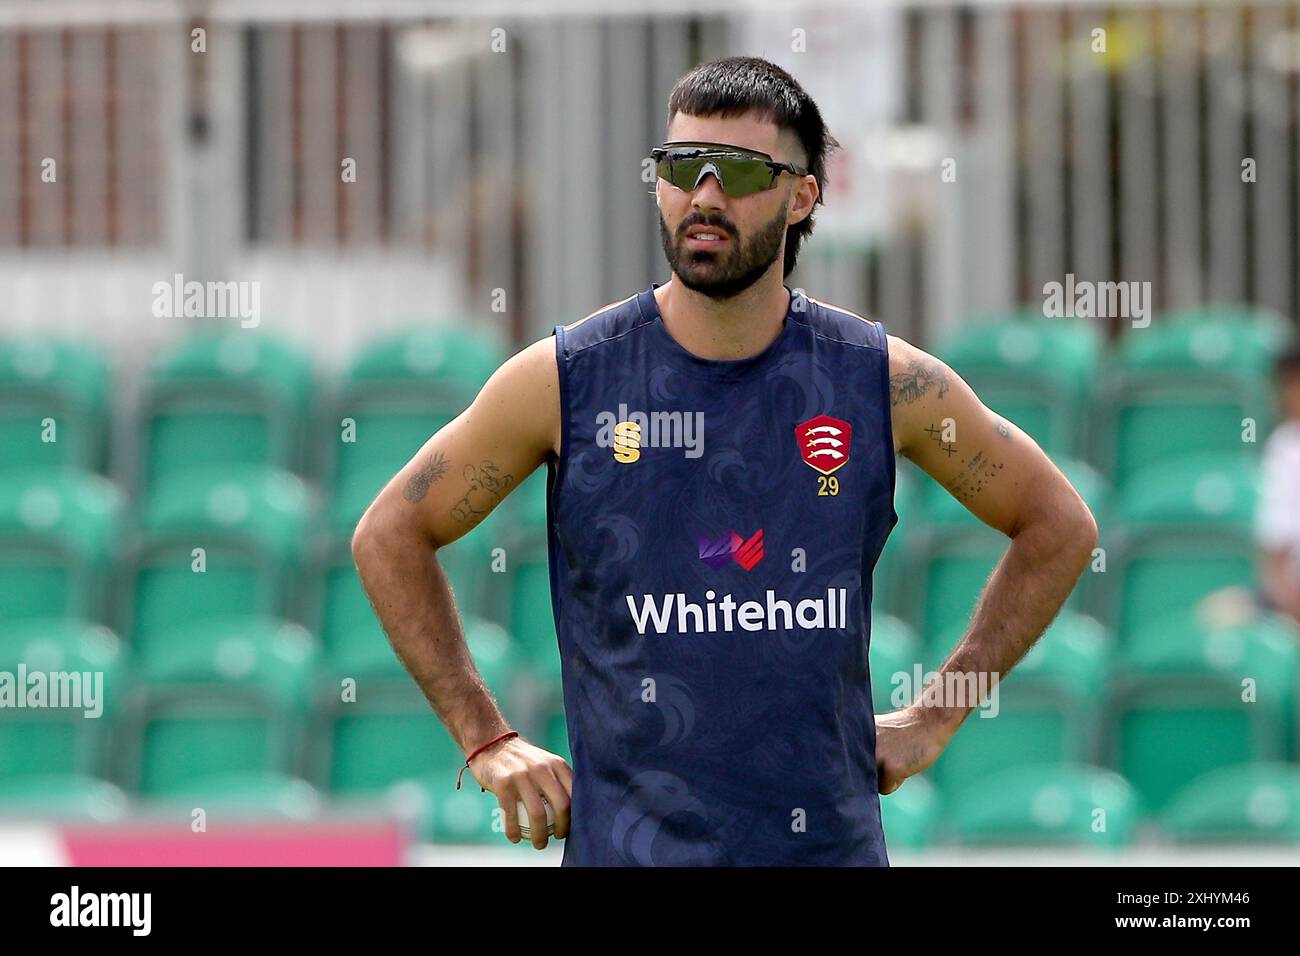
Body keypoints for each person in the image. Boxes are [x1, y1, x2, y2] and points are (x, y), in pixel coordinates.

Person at [352, 55, 1098, 866]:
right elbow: (390, 533)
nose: (704, 195)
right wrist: (485, 736)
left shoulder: (883, 383)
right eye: (680, 168)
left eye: (738, 171)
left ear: (802, 194)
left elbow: (1057, 524)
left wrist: (936, 717)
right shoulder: (562, 381)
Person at [1256, 342, 1300, 624]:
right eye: (1290, 382)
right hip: (1291, 603)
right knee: (1215, 614)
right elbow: (1276, 560)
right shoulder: (1284, 447)